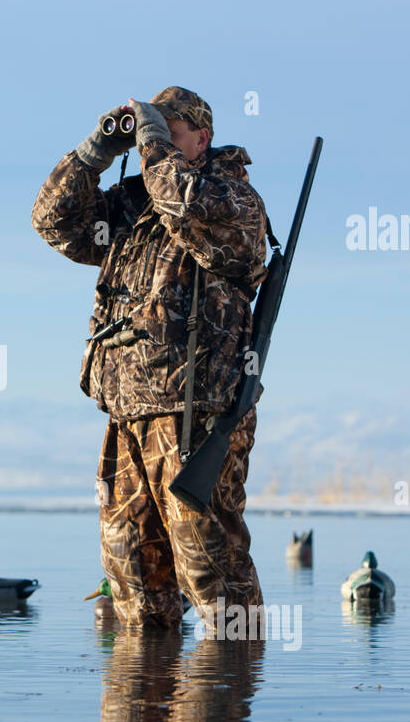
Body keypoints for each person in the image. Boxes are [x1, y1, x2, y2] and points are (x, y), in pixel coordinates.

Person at [31, 86, 268, 629]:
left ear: (201, 139)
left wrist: (154, 148)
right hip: (127, 407)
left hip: (197, 413)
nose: (147, 145)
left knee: (211, 570)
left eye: (168, 132)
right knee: (132, 571)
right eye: (145, 133)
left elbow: (184, 203)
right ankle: (143, 694)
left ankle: (228, 695)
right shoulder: (133, 208)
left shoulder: (234, 202)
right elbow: (53, 222)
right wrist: (94, 153)